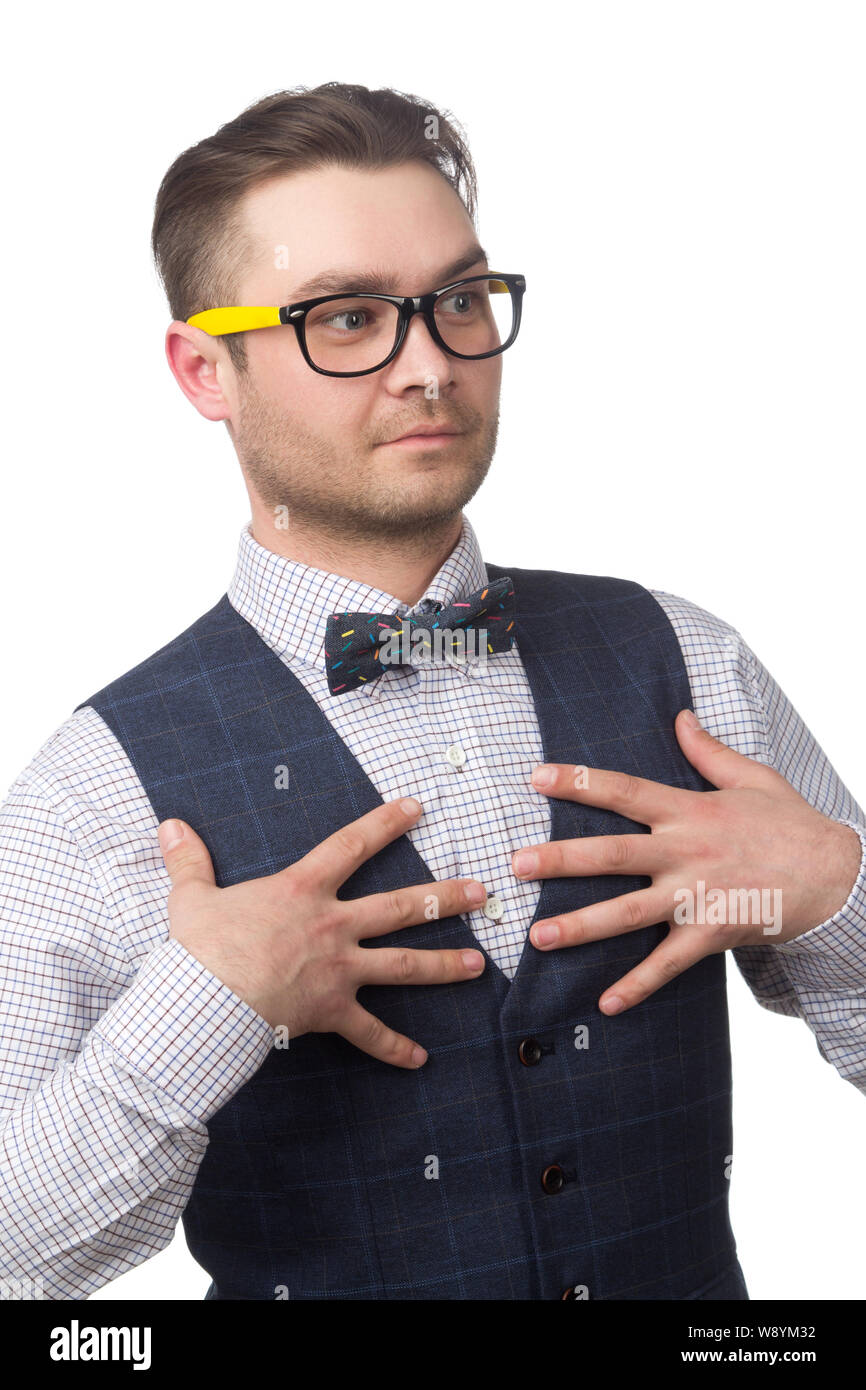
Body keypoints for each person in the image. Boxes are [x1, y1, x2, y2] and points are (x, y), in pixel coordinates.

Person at [1, 82, 863, 1303]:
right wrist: (199, 1013)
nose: (428, 367)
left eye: (458, 301)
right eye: (346, 319)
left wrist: (837, 887)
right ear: (205, 371)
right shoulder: (90, 794)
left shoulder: (688, 661)